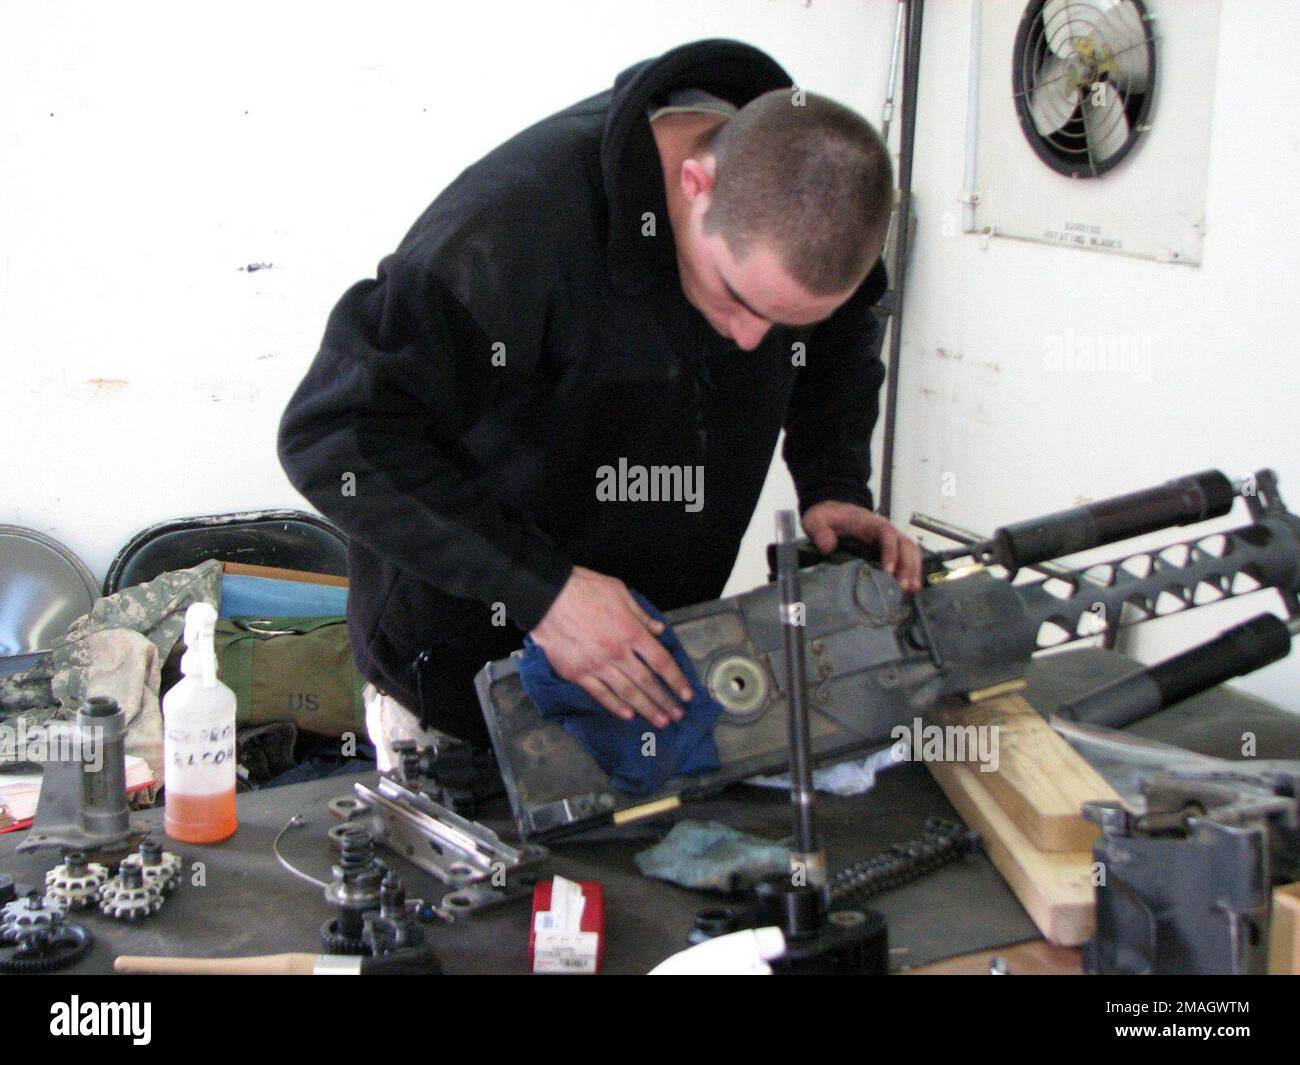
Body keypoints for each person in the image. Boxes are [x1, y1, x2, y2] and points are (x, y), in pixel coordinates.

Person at [278, 38, 923, 768]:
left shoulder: (810, 204)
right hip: (461, 690)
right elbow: (336, 436)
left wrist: (834, 481)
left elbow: (839, 344)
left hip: (657, 671)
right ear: (695, 182)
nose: (752, 340)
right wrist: (542, 590)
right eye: (739, 299)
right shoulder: (516, 223)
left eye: (787, 322)